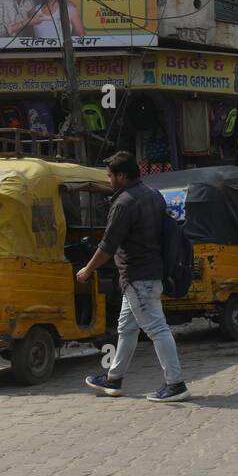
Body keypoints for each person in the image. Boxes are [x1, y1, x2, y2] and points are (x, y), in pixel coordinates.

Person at [78, 151, 189, 403]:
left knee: (157, 329)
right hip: (148, 274)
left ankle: (176, 384)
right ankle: (113, 379)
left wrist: (87, 270)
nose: (108, 181)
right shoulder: (153, 195)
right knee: (126, 328)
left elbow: (107, 246)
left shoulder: (124, 203)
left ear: (122, 176)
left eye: (110, 176)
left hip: (138, 276)